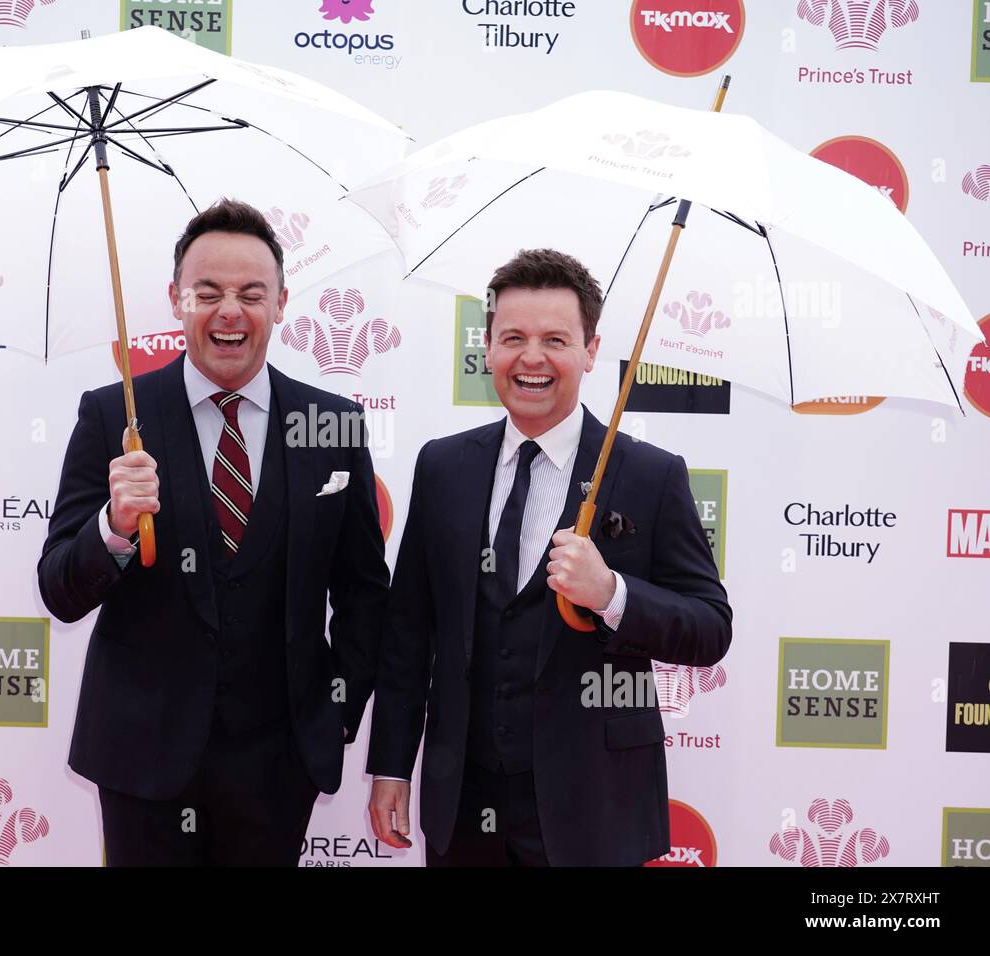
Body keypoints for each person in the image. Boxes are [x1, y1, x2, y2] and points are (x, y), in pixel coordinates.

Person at [38, 199, 389, 866]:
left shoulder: (333, 424)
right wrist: (112, 527)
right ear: (176, 299)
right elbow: (59, 588)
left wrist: (333, 710)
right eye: (209, 292)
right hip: (142, 762)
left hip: (277, 768)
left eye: (251, 293)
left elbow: (365, 592)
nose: (230, 310)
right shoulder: (115, 414)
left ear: (282, 303)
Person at [366, 248, 732, 866]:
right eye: (513, 337)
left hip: (593, 808)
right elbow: (408, 634)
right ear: (488, 347)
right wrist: (391, 767)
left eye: (555, 339)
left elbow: (710, 627)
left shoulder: (650, 475)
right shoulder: (442, 466)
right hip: (464, 802)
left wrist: (612, 594)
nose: (532, 357)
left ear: (590, 351)